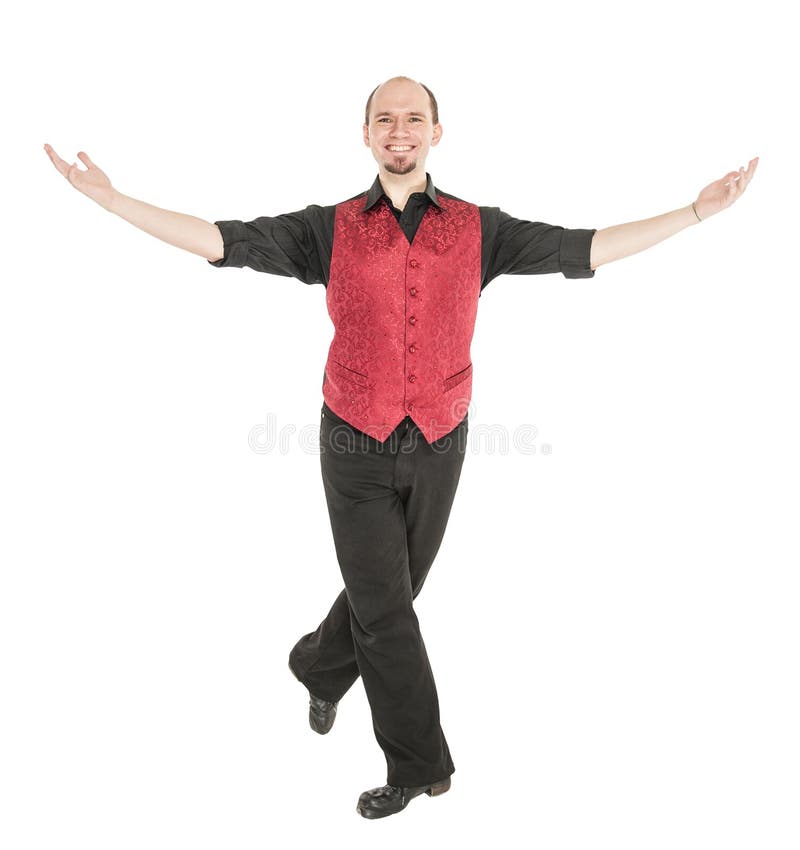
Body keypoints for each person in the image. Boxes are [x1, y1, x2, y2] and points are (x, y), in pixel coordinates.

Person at [44, 76, 759, 820]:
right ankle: (421, 765)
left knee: (394, 590)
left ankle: (320, 664)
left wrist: (696, 213)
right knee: (387, 614)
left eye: (413, 118)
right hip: (352, 440)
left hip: (442, 441)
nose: (399, 129)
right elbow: (224, 240)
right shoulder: (329, 228)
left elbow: (585, 247)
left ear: (436, 134)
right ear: (366, 135)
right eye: (383, 119)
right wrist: (113, 201)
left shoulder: (484, 228)